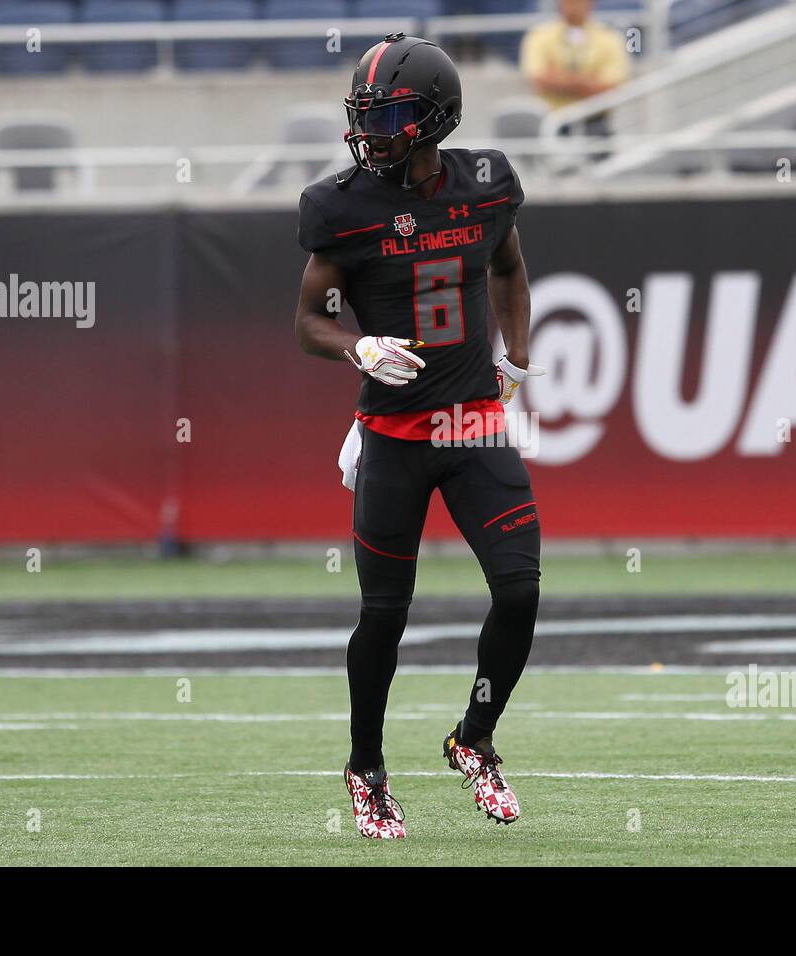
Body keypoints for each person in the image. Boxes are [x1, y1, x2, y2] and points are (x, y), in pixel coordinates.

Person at [294, 34, 544, 839]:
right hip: (393, 434)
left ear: (436, 118)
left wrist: (520, 363)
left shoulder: (487, 181)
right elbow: (308, 320)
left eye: (392, 114)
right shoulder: (340, 203)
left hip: (472, 422)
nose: (374, 131)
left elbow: (506, 268)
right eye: (367, 114)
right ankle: (366, 768)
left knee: (520, 590)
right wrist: (356, 346)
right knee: (385, 613)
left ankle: (474, 738)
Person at [521, 0, 631, 135]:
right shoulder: (540, 34)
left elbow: (611, 87)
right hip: (552, 122)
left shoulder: (609, 37)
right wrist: (586, 81)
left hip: (595, 122)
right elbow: (539, 78)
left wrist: (560, 78)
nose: (573, 5)